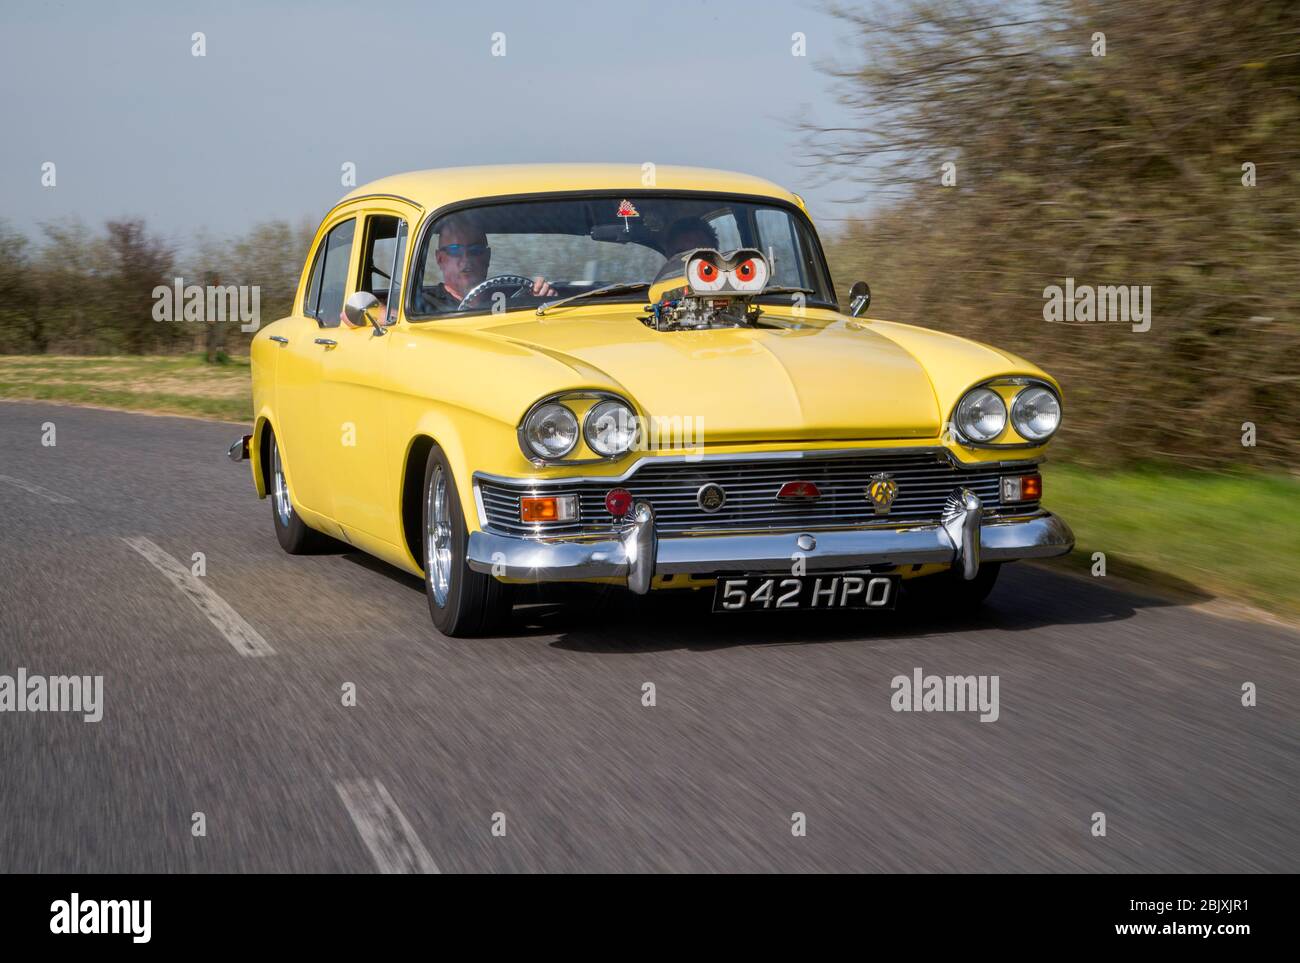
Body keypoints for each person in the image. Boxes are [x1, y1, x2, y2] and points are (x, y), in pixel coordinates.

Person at [416, 214, 555, 313]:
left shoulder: (513, 298)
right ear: (440, 259)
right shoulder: (421, 306)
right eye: (455, 250)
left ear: (487, 257)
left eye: (475, 250)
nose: (466, 259)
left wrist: (542, 300)